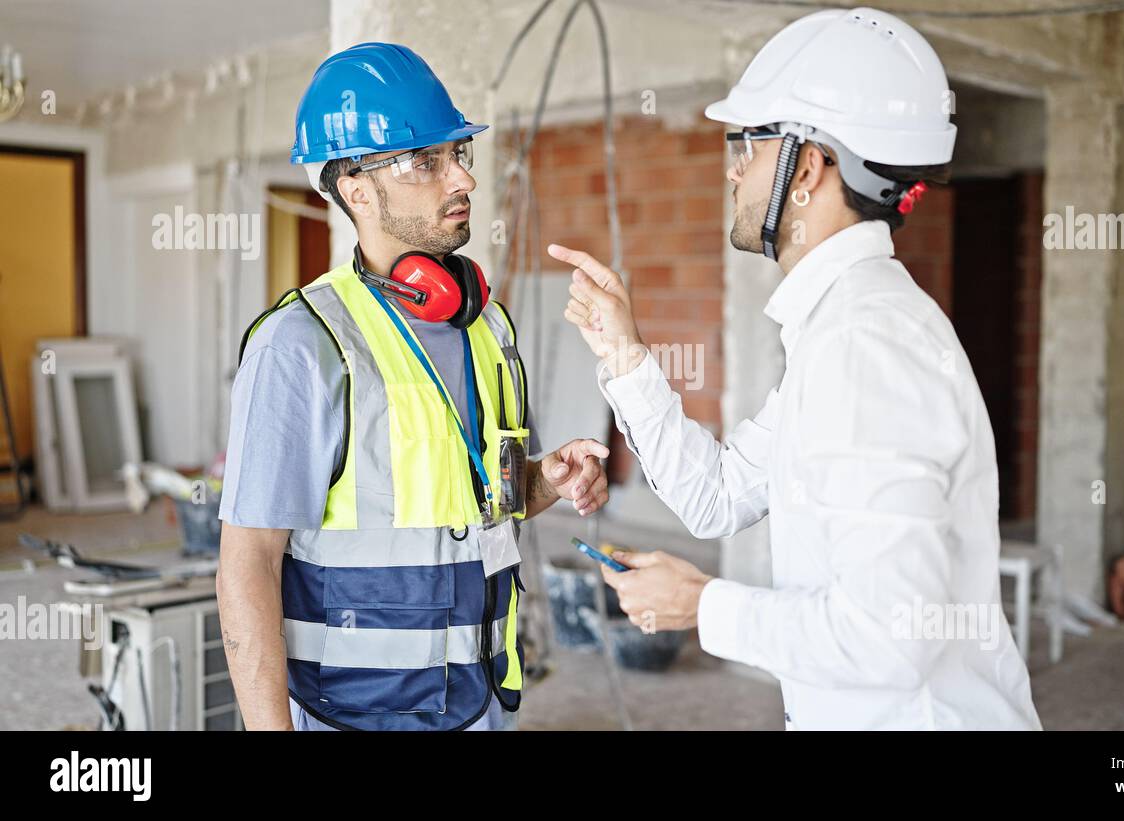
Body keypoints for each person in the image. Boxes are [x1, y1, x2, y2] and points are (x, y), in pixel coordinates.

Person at [552, 8, 1041, 730]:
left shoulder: (865, 345)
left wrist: (702, 605)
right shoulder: (838, 331)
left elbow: (890, 637)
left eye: (748, 145)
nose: (732, 168)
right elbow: (716, 495)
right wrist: (624, 354)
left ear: (807, 165)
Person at [216, 42, 610, 731]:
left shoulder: (488, 327)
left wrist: (547, 478)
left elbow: (493, 508)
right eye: (425, 161)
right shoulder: (302, 343)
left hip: (484, 704)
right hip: (355, 714)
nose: (462, 179)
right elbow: (248, 564)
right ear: (356, 189)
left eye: (459, 153)